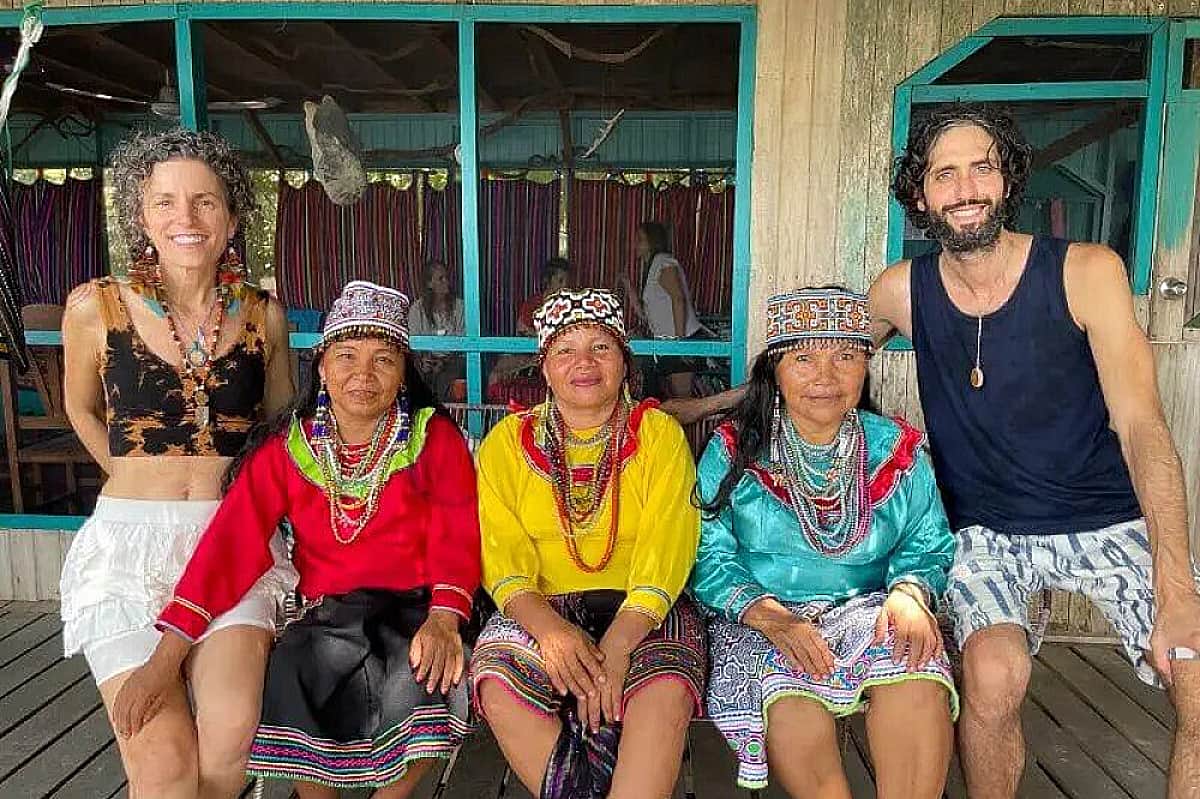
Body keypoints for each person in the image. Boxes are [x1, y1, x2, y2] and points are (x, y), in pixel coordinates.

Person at [873, 103, 1200, 799]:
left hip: (1107, 515)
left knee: (1197, 666)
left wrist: (1177, 593)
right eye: (945, 173)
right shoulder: (903, 290)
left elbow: (1144, 427)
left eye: (982, 167)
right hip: (985, 528)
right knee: (992, 676)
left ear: (1008, 179)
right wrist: (708, 408)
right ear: (921, 193)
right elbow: (813, 365)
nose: (965, 189)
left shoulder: (1086, 271)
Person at [112, 280, 481, 798]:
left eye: (383, 359)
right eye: (347, 356)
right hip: (327, 614)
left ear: (403, 375)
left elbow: (457, 534)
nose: (363, 374)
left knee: (432, 681)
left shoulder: (433, 438)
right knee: (288, 676)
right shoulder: (290, 449)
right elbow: (229, 546)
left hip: (419, 610)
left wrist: (445, 618)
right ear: (322, 368)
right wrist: (163, 659)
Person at [58, 128, 296, 798]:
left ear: (232, 215)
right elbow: (81, 407)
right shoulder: (94, 307)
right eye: (165, 202)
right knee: (162, 763)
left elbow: (277, 426)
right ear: (141, 215)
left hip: (232, 541)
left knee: (230, 734)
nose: (185, 219)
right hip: (127, 548)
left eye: (204, 202)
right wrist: (130, 481)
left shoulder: (261, 314)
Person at [692, 287, 956, 797]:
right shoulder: (734, 450)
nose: (825, 377)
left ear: (865, 366)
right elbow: (707, 551)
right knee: (791, 703)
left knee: (917, 677)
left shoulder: (894, 449)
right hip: (761, 616)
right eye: (804, 358)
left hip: (871, 606)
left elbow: (926, 538)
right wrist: (768, 615)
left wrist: (909, 593)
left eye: (845, 356)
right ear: (774, 371)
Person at [469, 288, 706, 799]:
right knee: (495, 677)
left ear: (624, 361)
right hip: (539, 611)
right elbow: (500, 551)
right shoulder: (507, 443)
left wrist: (618, 647)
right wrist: (551, 633)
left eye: (600, 347)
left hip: (647, 608)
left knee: (662, 690)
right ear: (545, 367)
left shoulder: (659, 435)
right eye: (565, 350)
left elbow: (669, 546)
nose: (584, 363)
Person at [627, 221, 712, 398]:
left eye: (641, 239)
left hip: (680, 341)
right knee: (677, 401)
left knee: (683, 402)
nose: (636, 243)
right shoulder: (652, 268)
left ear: (653, 242)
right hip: (669, 343)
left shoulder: (663, 262)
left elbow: (678, 299)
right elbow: (644, 314)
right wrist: (627, 285)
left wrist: (681, 346)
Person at [408, 259, 465, 401]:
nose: (446, 282)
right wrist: (423, 359)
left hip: (453, 360)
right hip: (427, 360)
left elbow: (464, 341)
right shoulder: (417, 309)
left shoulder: (460, 307)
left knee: (451, 374)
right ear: (429, 284)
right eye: (441, 279)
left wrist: (443, 361)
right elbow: (412, 341)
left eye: (447, 277)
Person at [517, 257, 571, 336]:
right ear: (547, 280)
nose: (565, 285)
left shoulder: (570, 305)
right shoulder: (533, 304)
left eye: (567, 281)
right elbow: (522, 329)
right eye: (560, 280)